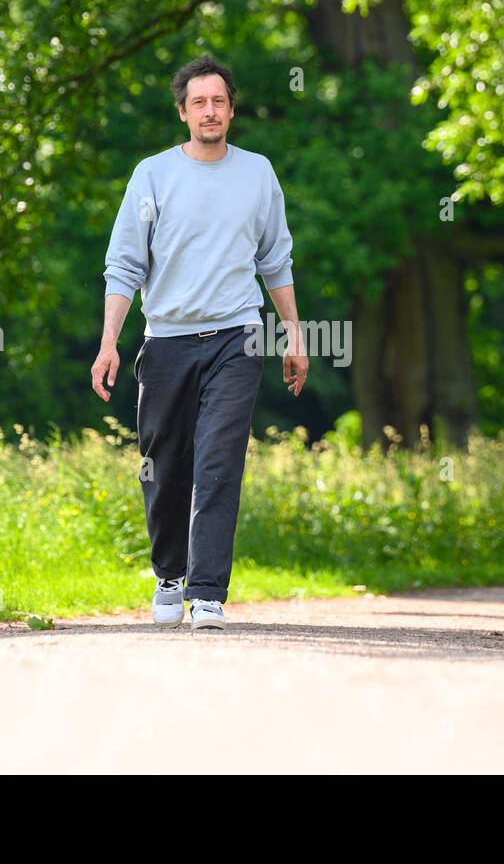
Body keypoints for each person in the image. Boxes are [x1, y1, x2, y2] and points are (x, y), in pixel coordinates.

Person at [91, 55, 309, 632]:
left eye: (219, 102)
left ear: (231, 110)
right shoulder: (153, 175)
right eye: (198, 103)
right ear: (183, 113)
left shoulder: (258, 173)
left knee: (219, 461)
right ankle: (169, 574)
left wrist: (294, 334)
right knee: (163, 465)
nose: (209, 111)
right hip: (166, 340)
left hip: (237, 338)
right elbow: (124, 264)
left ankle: (208, 590)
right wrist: (109, 342)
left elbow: (276, 259)